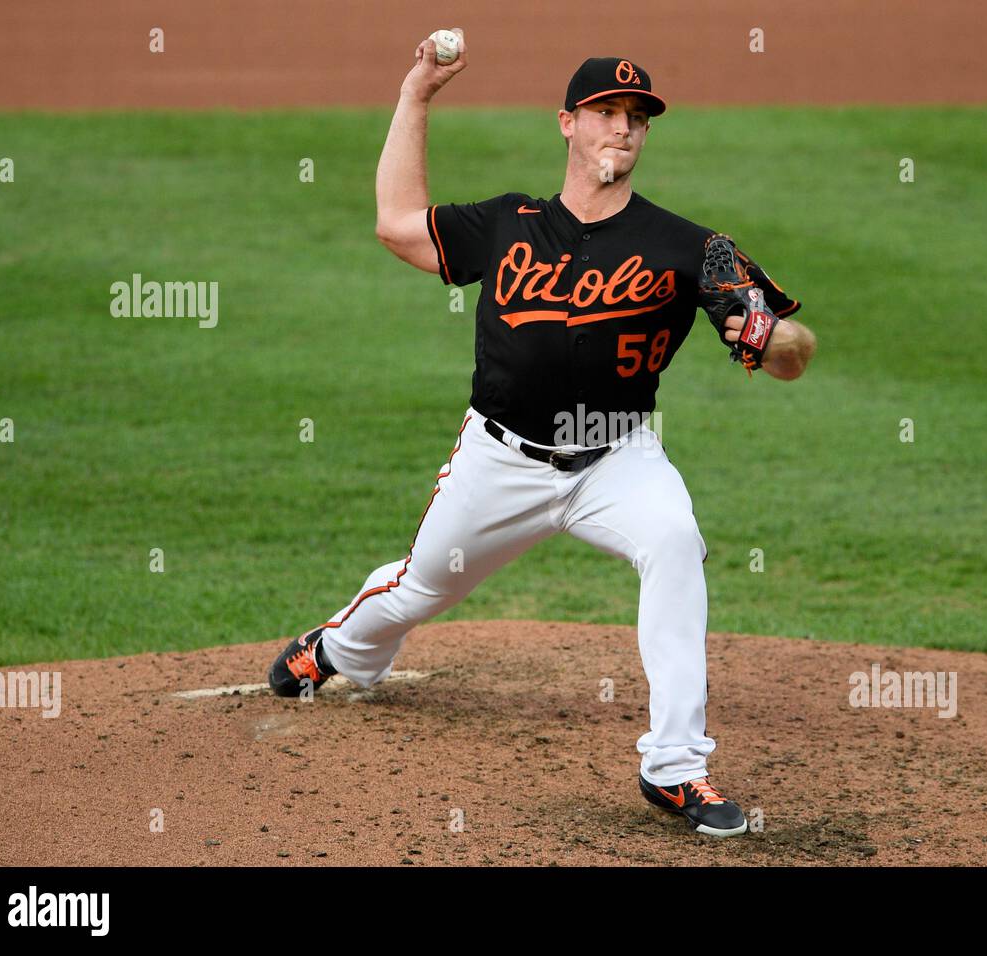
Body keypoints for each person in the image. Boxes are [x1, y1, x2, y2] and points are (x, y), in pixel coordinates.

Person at [268, 29, 816, 838]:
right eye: (605, 112)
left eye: (637, 115)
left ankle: (675, 768)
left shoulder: (693, 248)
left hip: (618, 459)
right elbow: (393, 223)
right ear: (568, 124)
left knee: (674, 542)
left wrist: (772, 342)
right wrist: (415, 95)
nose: (622, 128)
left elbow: (793, 355)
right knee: (423, 585)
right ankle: (343, 648)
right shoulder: (507, 224)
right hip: (500, 457)